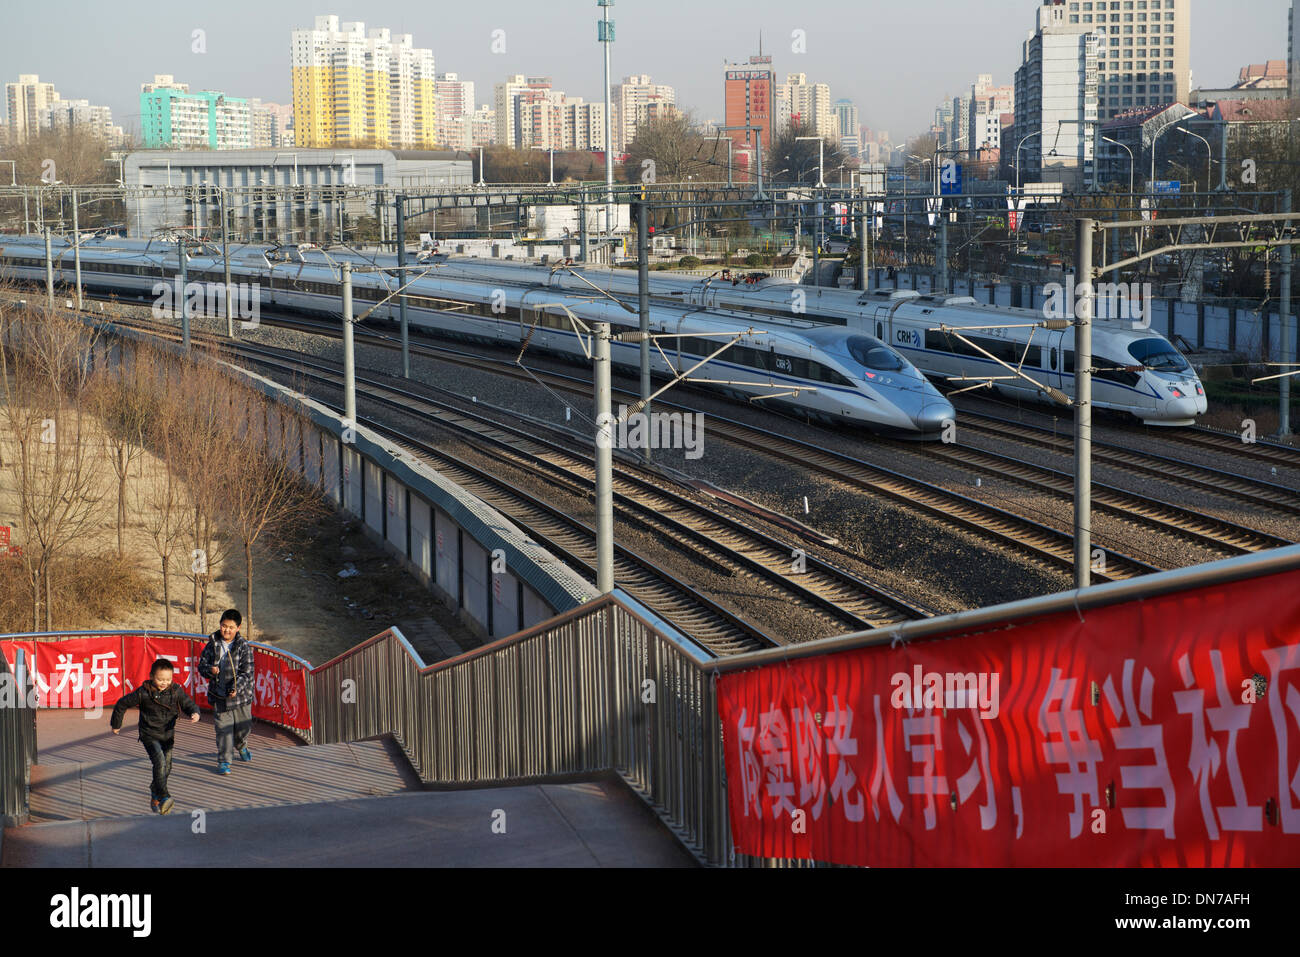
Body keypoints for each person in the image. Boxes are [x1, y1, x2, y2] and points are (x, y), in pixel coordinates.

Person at [110, 658, 201, 815]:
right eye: (160, 679)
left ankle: (154, 791)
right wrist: (116, 724)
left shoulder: (175, 691)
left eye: (168, 679)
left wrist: (195, 713)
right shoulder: (143, 692)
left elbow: (188, 704)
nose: (164, 682)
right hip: (149, 734)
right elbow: (122, 704)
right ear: (152, 676)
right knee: (159, 763)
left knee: (168, 766)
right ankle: (164, 796)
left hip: (167, 734)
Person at [199, 609, 255, 775]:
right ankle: (224, 761)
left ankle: (242, 744)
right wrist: (211, 670)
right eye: (224, 626)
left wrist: (237, 688)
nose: (226, 630)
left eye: (231, 627)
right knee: (223, 730)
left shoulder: (243, 647)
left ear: (238, 628)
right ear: (220, 625)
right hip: (220, 696)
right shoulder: (212, 644)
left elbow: (248, 672)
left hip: (240, 697)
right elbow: (201, 666)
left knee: (242, 729)